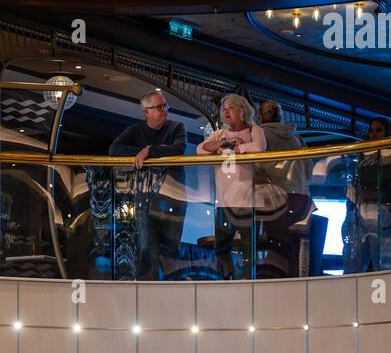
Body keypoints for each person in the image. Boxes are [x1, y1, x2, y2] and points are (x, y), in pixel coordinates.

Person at [109, 90, 188, 279]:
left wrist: (149, 151)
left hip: (172, 198)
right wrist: (143, 152)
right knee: (146, 247)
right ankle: (147, 291)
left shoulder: (177, 127)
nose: (164, 111)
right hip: (144, 199)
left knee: (171, 246)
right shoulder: (135, 130)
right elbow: (115, 149)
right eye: (159, 107)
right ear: (146, 112)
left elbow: (179, 148)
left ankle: (170, 290)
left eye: (165, 106)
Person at [199, 94, 267, 278]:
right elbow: (200, 150)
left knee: (248, 249)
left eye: (231, 108)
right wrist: (221, 144)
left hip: (247, 202)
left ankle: (248, 282)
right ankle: (225, 281)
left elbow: (260, 147)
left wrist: (237, 149)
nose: (226, 112)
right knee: (221, 249)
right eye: (224, 108)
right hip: (223, 202)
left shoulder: (254, 130)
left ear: (242, 110)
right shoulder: (220, 134)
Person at [342, 117, 391, 272]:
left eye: (378, 130)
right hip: (360, 215)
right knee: (354, 266)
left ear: (387, 132)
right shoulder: (359, 156)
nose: (373, 134)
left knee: (381, 268)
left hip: (383, 215)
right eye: (371, 130)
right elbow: (352, 187)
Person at [255, 100, 309, 195]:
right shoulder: (297, 138)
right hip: (301, 195)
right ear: (281, 116)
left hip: (274, 197)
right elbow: (308, 171)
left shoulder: (259, 136)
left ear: (259, 117)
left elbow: (257, 169)